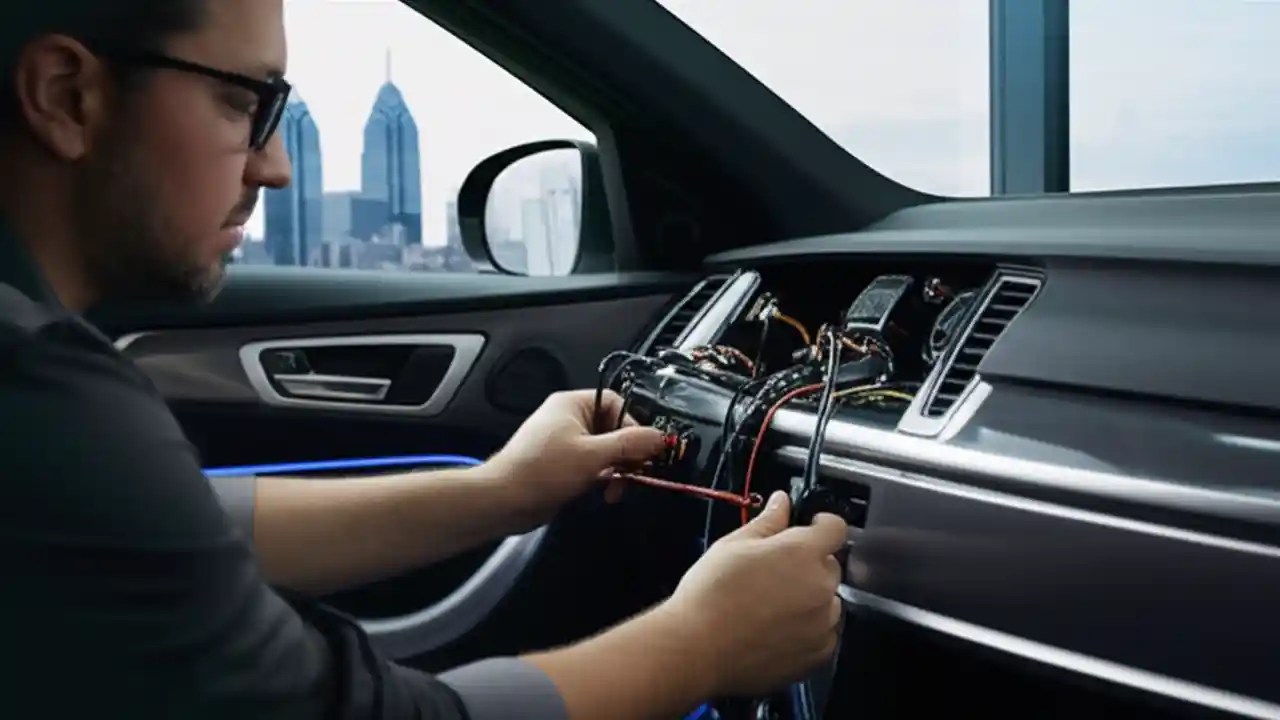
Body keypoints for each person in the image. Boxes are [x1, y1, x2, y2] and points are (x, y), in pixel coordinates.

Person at [0, 2, 849, 719]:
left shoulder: (44, 394)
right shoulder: (41, 405)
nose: (277, 165)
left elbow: (191, 526)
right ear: (67, 97)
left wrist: (504, 492)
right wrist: (703, 645)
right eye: (239, 103)